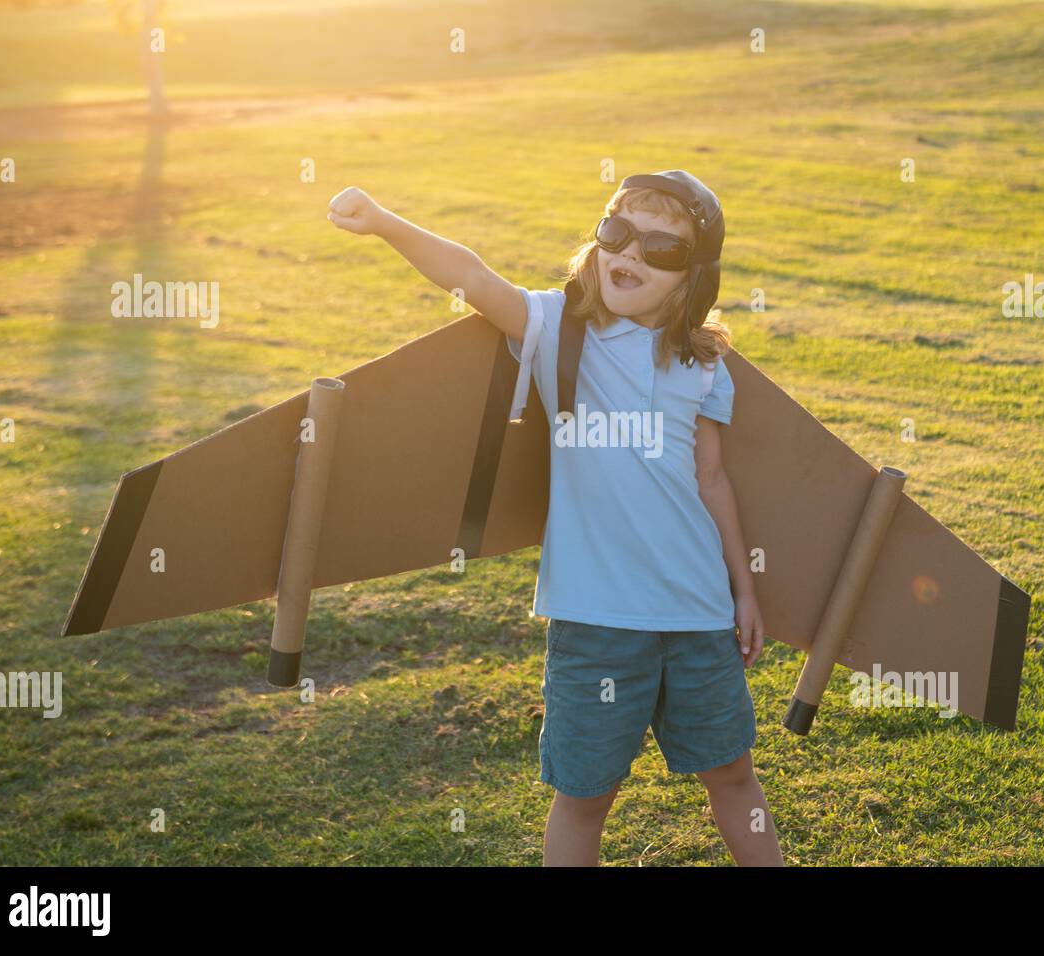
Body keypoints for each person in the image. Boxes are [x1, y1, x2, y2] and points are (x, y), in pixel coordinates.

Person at [328, 170, 784, 866]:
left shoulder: (702, 363)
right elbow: (474, 280)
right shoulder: (559, 334)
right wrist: (386, 221)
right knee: (584, 797)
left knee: (732, 775)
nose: (629, 254)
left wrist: (743, 591)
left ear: (692, 277)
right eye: (617, 232)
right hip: (596, 622)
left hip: (697, 615)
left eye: (662, 248)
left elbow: (712, 478)